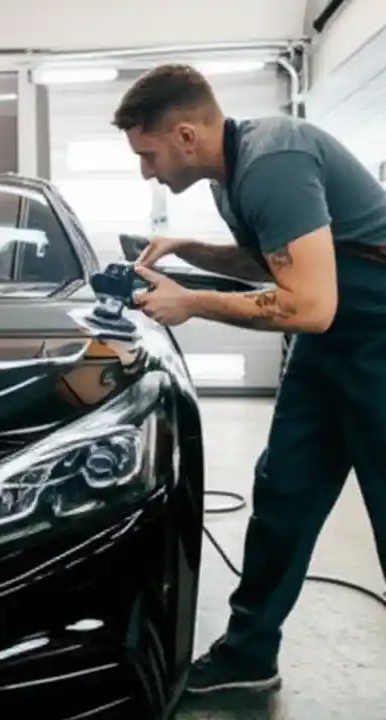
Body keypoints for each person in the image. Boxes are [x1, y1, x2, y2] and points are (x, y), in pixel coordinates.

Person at [111, 63, 386, 695]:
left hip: (376, 339)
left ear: (185, 135)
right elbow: (280, 256)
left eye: (148, 155)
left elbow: (311, 303)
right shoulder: (228, 177)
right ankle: (249, 653)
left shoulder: (274, 161)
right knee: (283, 496)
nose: (146, 171)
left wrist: (193, 302)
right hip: (329, 352)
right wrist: (191, 251)